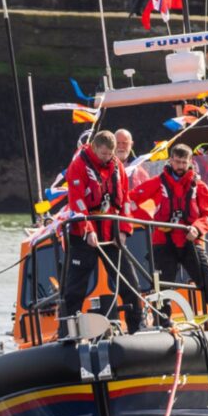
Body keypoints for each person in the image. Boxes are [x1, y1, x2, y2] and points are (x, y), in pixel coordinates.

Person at [132, 144, 208, 331]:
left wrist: (197, 227)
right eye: (177, 161)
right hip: (163, 243)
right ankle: (163, 326)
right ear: (170, 160)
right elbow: (130, 202)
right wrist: (151, 223)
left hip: (191, 242)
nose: (180, 165)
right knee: (162, 290)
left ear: (190, 162)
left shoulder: (199, 187)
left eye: (183, 162)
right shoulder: (157, 183)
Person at [59, 130, 143, 334]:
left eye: (109, 154)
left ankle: (137, 327)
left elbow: (124, 201)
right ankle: (68, 331)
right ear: (95, 148)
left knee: (129, 282)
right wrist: (87, 229)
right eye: (103, 154)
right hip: (83, 234)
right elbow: (77, 201)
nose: (106, 158)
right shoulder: (78, 165)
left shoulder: (117, 166)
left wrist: (124, 230)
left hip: (111, 231)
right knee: (75, 287)